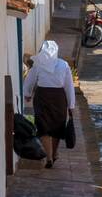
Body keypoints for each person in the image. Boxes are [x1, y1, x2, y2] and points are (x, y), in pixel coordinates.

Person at [22, 39, 75, 169]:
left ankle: (49, 157)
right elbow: (69, 86)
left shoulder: (38, 65)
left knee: (43, 126)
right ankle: (54, 153)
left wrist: (27, 94)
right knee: (57, 127)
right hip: (59, 99)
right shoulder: (63, 65)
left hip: (42, 98)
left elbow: (30, 80)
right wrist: (71, 105)